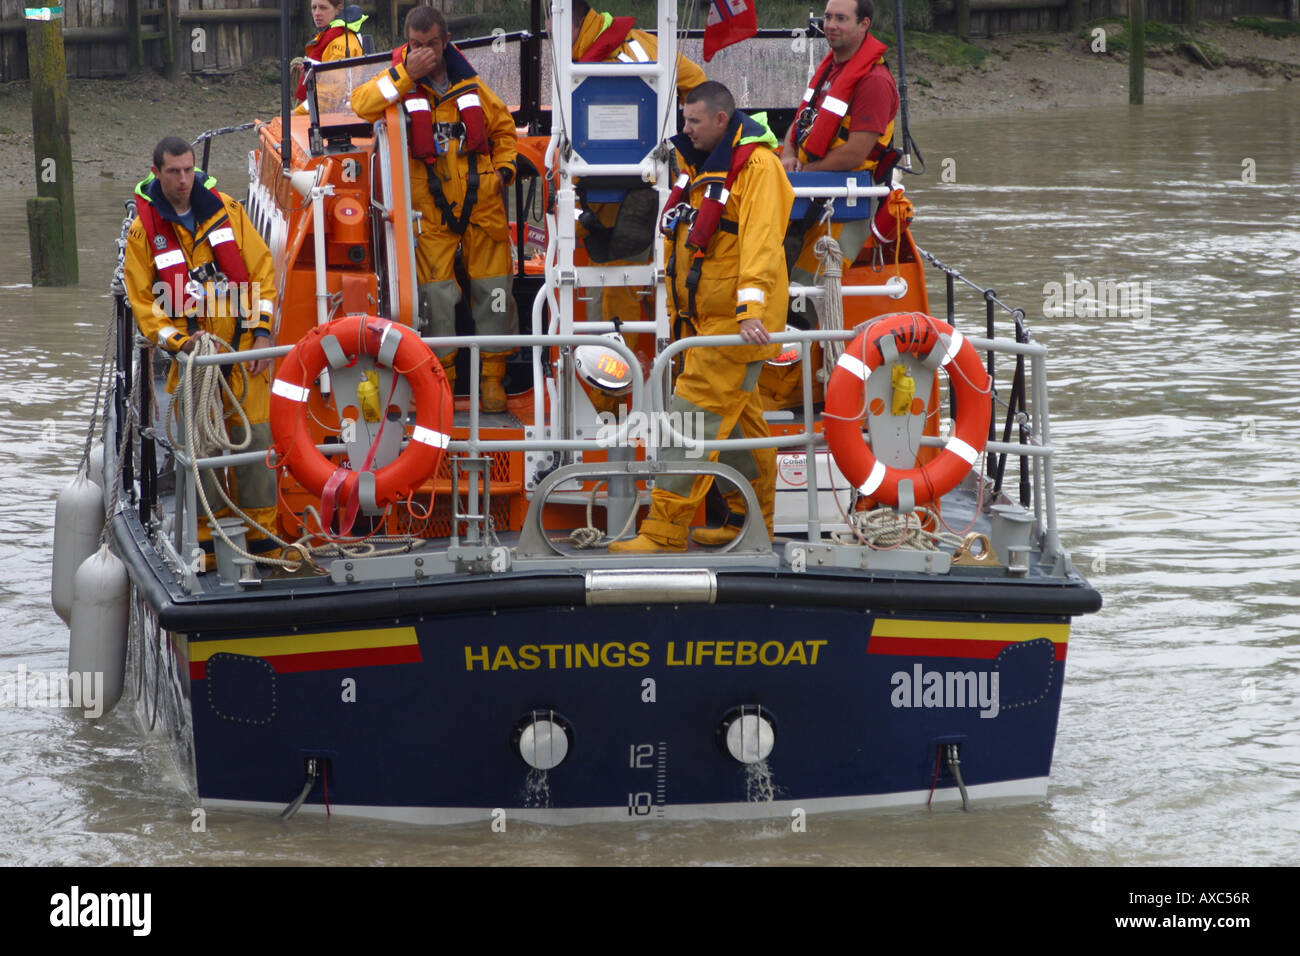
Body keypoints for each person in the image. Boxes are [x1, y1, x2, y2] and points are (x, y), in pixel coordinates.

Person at [610, 82, 792, 553]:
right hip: (702, 320)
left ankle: (664, 532)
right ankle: (748, 524)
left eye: (693, 122)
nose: (685, 130)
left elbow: (762, 243)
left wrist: (750, 310)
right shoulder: (700, 168)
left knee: (690, 417)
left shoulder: (757, 168)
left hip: (735, 323)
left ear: (720, 119)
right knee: (741, 428)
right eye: (684, 121)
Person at [350, 5, 518, 412]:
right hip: (430, 211)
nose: (423, 50)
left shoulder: (473, 87)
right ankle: (442, 382)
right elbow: (361, 103)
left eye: (430, 44)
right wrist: (407, 71)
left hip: (482, 207)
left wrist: (503, 174)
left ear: (446, 42)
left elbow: (503, 132)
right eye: (415, 44)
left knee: (494, 291)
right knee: (435, 298)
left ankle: (493, 379)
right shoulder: (399, 86)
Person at [124, 136, 279, 562]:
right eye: (173, 172)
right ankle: (209, 546)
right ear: (156, 173)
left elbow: (263, 274)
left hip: (243, 352)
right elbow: (143, 304)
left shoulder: (227, 210)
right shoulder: (144, 232)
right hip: (193, 360)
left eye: (189, 170)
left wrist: (263, 333)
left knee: (256, 445)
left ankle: (264, 539)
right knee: (200, 453)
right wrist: (178, 342)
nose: (182, 180)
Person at [559, 0, 708, 413]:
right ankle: (625, 382)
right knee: (611, 281)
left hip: (642, 185)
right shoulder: (605, 48)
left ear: (570, 23)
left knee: (618, 285)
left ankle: (618, 391)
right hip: (610, 185)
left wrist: (669, 143)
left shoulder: (627, 49)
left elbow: (697, 89)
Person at [780, 0, 899, 313]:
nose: (830, 25)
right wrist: (789, 153)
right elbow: (803, 119)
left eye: (841, 19)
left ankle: (799, 353)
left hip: (848, 205)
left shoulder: (874, 82)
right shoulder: (832, 69)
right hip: (809, 192)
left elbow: (857, 151)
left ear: (864, 25)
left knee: (804, 291)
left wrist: (805, 171)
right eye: (828, 17)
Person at [294, 1, 368, 109]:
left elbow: (332, 94)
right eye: (314, 8)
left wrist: (298, 112)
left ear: (338, 9)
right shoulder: (330, 37)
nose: (317, 13)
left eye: (323, 8)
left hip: (337, 114)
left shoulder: (340, 44)